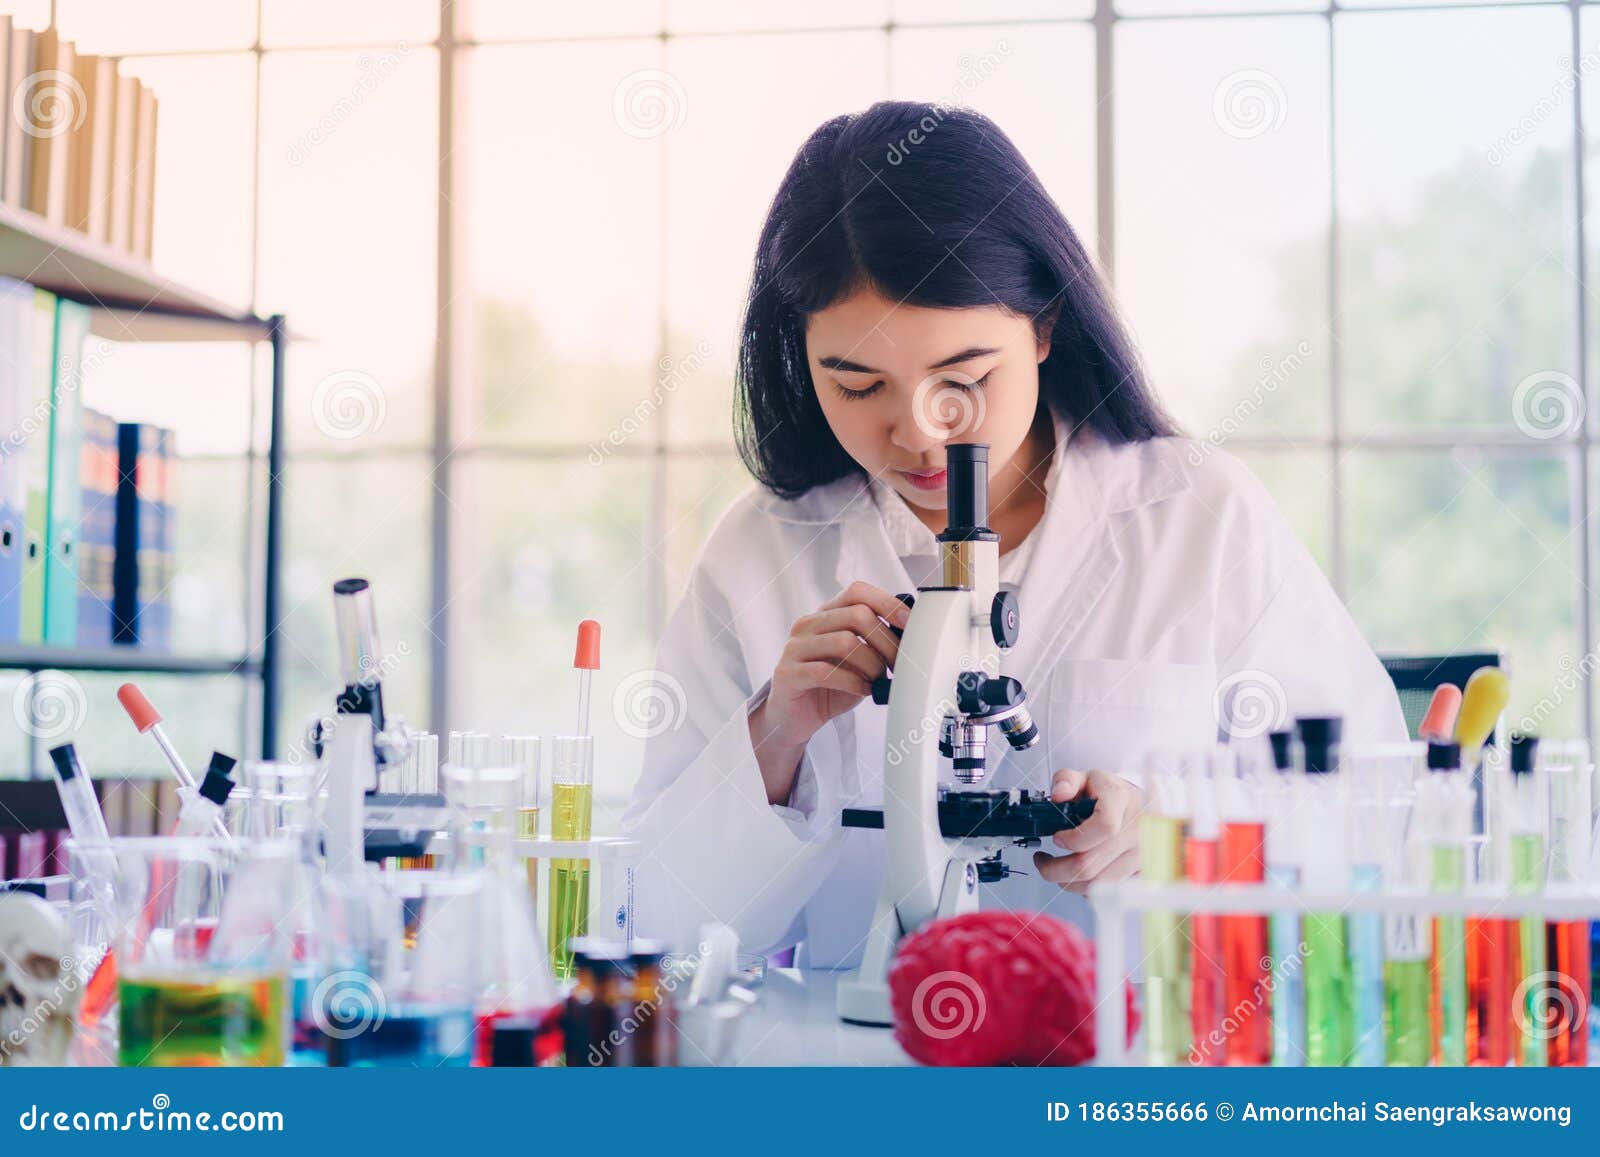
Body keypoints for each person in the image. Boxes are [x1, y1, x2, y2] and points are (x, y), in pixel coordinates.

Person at [621, 100, 1405, 968]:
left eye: (961, 378)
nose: (918, 433)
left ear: (1044, 325)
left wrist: (1175, 833)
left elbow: (1373, 824)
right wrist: (773, 735)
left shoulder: (1198, 516)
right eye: (858, 386)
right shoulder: (759, 556)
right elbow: (650, 923)